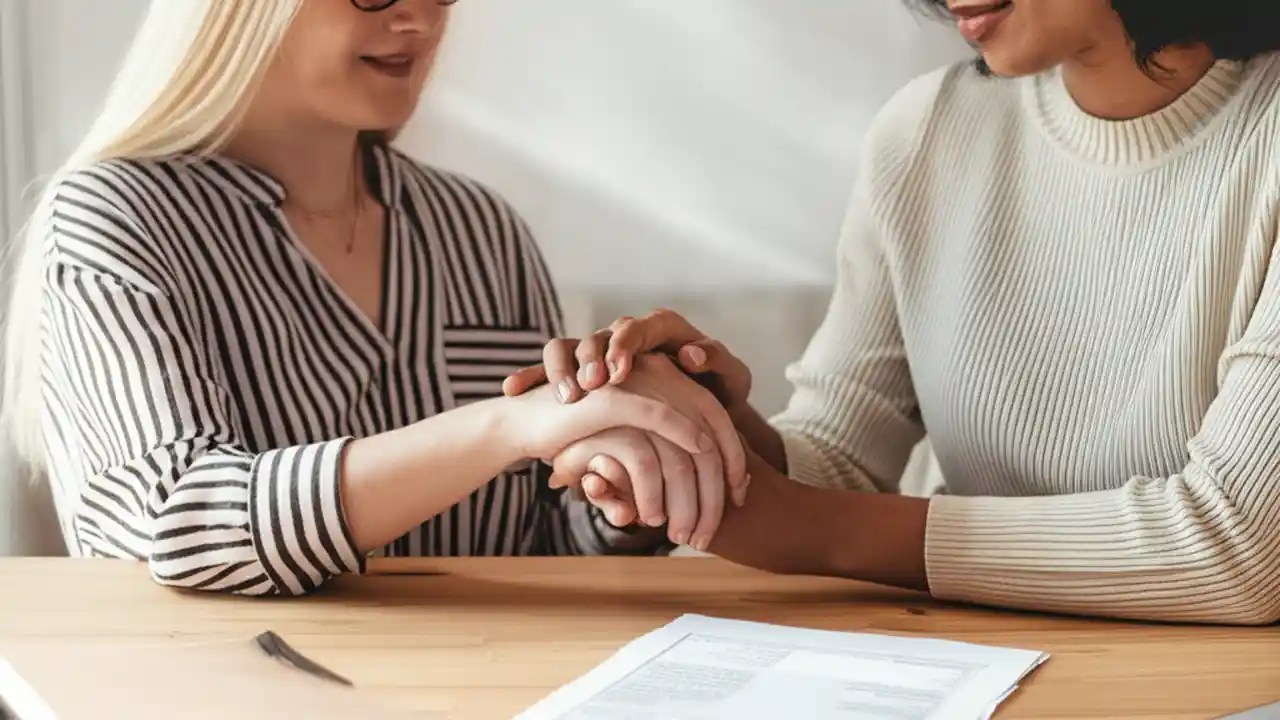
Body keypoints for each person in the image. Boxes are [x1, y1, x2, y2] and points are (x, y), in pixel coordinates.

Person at [509, 0, 1280, 624]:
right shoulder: (929, 131)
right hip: (967, 669)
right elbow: (844, 460)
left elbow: (1241, 547)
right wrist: (706, 443)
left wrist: (800, 529)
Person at [1, 0, 748, 597]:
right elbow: (178, 524)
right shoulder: (116, 216)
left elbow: (547, 547)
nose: (419, 19)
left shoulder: (479, 228)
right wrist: (506, 427)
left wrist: (628, 468)